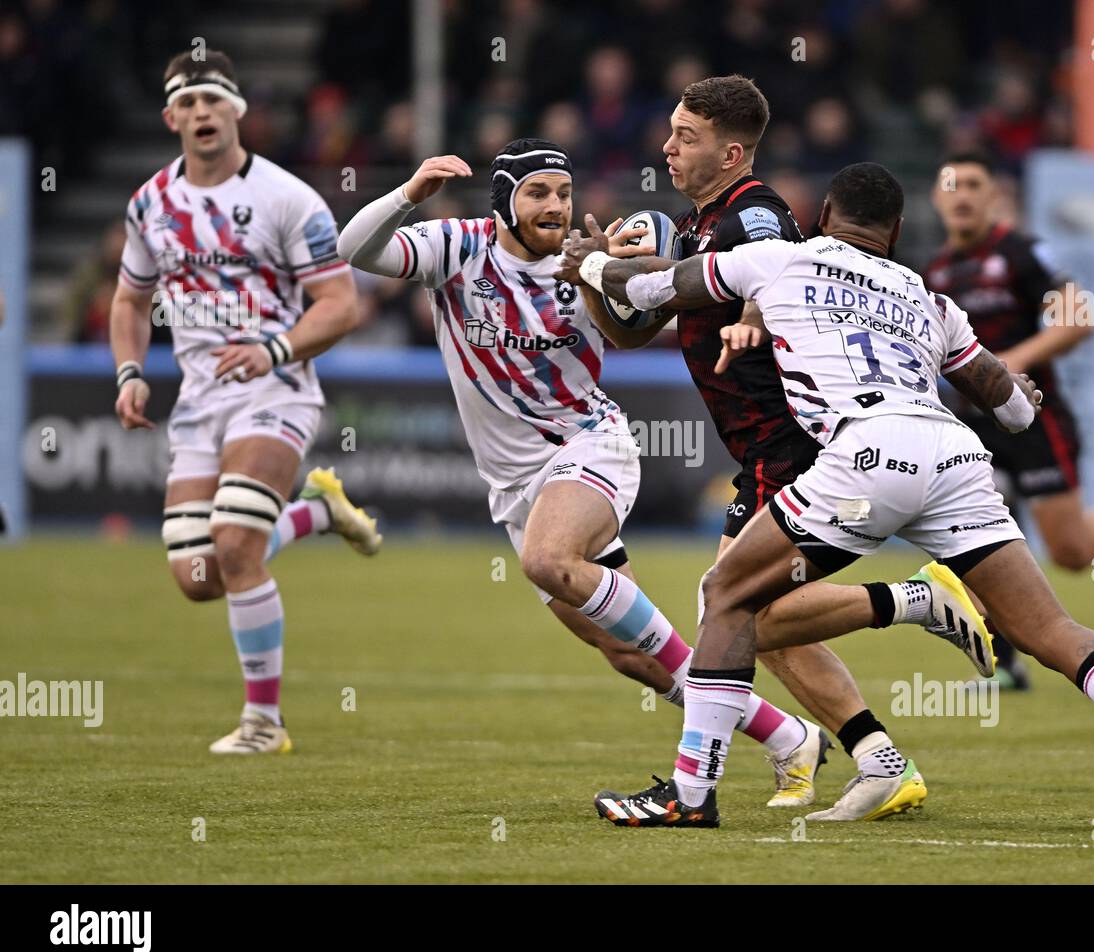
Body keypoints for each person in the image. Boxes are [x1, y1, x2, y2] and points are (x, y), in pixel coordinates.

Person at [563, 162, 1094, 837]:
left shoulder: (779, 258)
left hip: (866, 452)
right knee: (1050, 632)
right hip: (954, 458)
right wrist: (1022, 395)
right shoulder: (927, 295)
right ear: (893, 232)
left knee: (727, 595)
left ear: (825, 218)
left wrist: (594, 264)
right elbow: (1011, 408)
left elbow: (655, 288)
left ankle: (690, 793)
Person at [337, 139, 854, 806]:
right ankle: (789, 738)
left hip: (587, 448)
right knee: (628, 655)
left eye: (563, 192)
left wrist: (606, 274)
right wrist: (410, 193)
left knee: (548, 560)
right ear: (504, 200)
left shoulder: (586, 263)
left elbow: (634, 328)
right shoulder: (457, 248)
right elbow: (356, 248)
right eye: (538, 193)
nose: (555, 206)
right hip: (515, 485)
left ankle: (699, 778)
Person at [582, 75, 991, 819]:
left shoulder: (758, 214)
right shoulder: (697, 223)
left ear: (732, 151)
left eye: (687, 137)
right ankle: (876, 756)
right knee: (754, 622)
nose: (668, 146)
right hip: (762, 448)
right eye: (671, 131)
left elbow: (774, 278)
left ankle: (911, 605)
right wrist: (595, 274)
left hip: (792, 436)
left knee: (729, 608)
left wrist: (743, 315)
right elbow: (631, 330)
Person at [111, 51, 381, 754]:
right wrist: (130, 371)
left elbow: (341, 303)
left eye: (213, 99)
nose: (201, 112)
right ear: (171, 118)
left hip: (276, 388)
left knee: (235, 545)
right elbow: (130, 299)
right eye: (187, 102)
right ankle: (319, 513)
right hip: (199, 404)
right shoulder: (149, 204)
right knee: (199, 577)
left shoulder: (289, 198)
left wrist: (274, 350)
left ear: (237, 111)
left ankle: (265, 723)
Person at [926, 150, 1094, 689]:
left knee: (1070, 552)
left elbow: (1078, 318)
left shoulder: (1019, 252)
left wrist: (1008, 364)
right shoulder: (935, 272)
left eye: (974, 184)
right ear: (937, 198)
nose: (963, 195)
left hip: (1037, 418)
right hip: (972, 428)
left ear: (994, 196)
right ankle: (1004, 663)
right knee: (968, 543)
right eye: (953, 185)